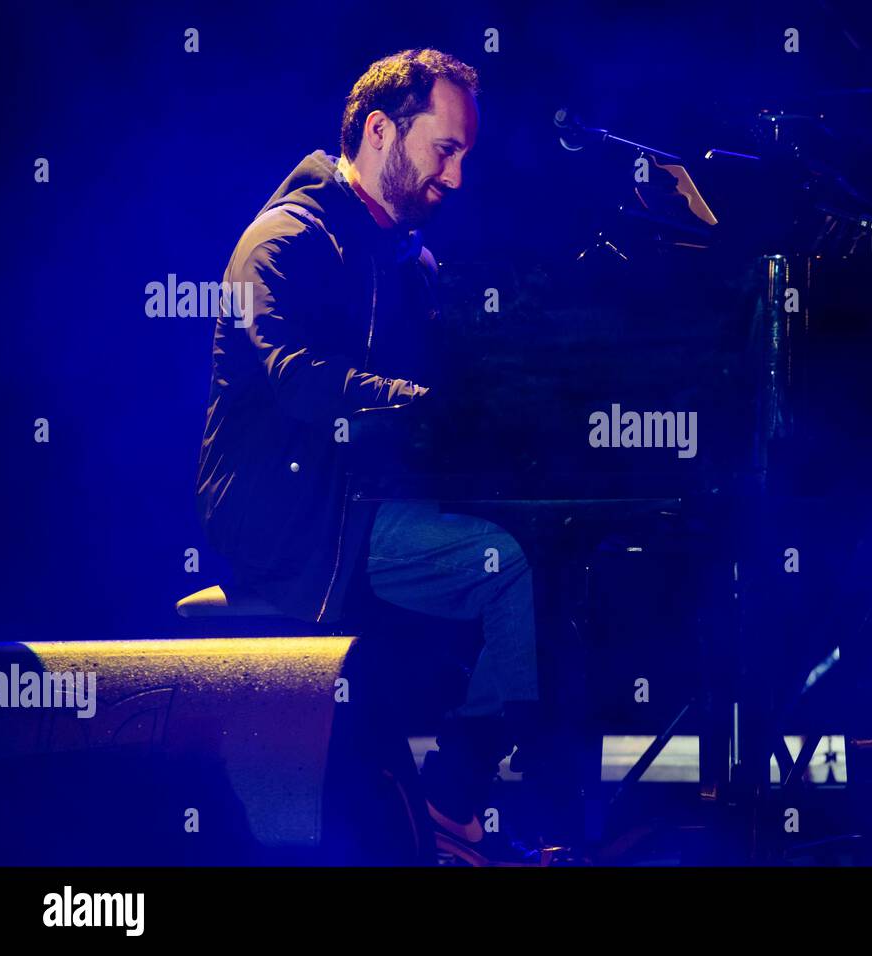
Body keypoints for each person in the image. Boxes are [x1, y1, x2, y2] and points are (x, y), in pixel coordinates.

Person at [195, 48, 543, 864]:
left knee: (540, 543)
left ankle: (449, 800)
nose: (455, 178)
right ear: (381, 130)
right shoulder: (281, 241)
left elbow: (452, 382)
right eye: (444, 149)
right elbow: (298, 382)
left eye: (464, 156)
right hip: (283, 515)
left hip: (357, 502)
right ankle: (453, 804)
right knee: (504, 564)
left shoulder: (407, 259)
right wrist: (423, 405)